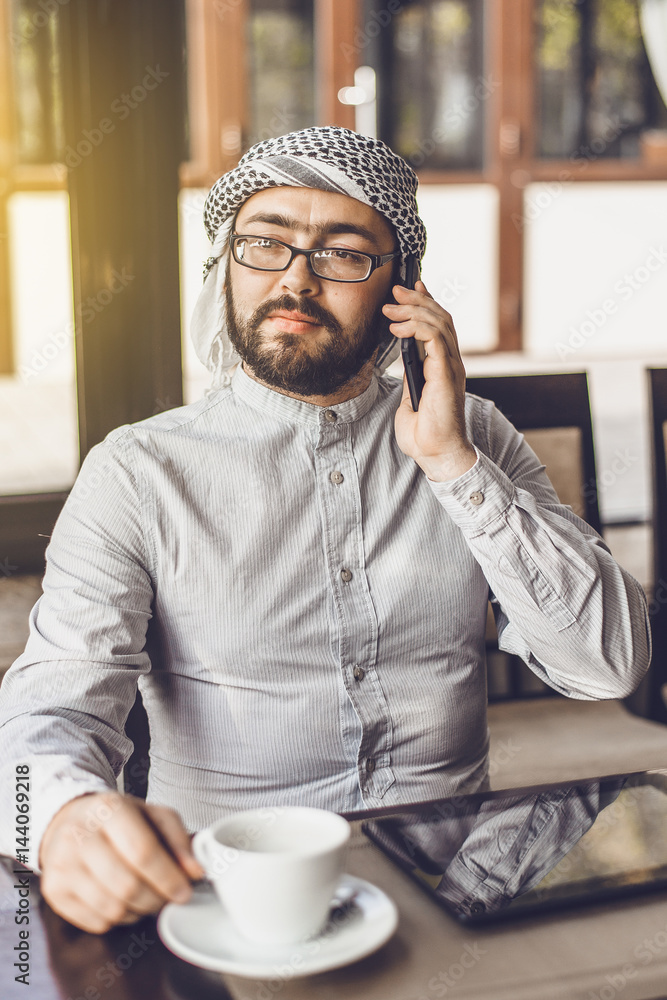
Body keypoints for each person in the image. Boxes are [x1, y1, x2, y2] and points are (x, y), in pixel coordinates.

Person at [0, 127, 650, 933]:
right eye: (263, 245)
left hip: (455, 893)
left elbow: (607, 665)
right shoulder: (138, 471)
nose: (296, 281)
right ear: (224, 268)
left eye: (343, 254)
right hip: (222, 900)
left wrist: (453, 466)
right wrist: (56, 818)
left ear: (401, 292)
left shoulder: (470, 435)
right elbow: (49, 709)